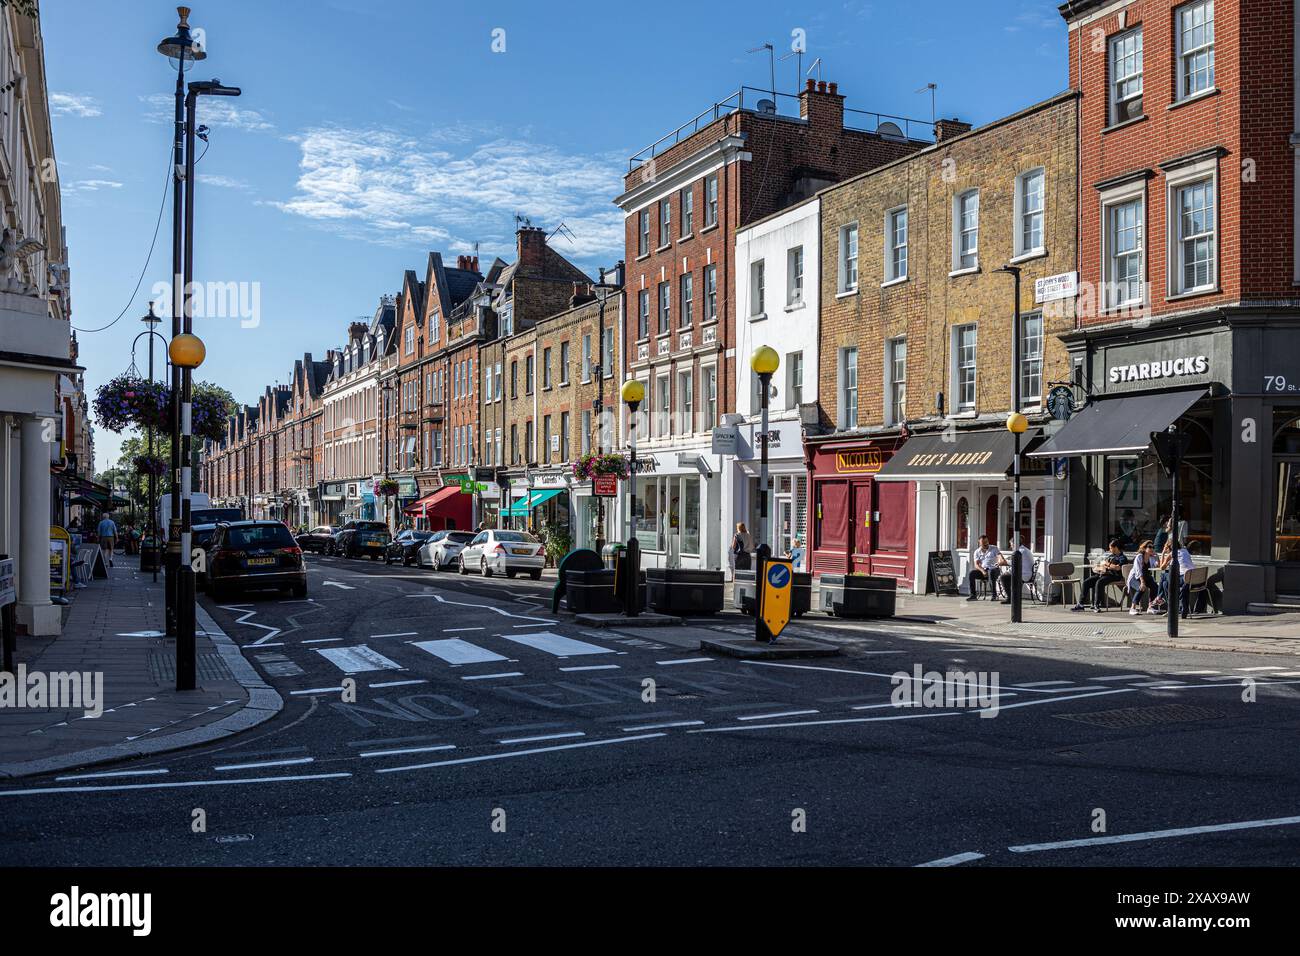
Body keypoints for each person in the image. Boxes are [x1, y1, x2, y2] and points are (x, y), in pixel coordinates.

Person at [1072, 539, 1126, 612]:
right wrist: (1100, 567)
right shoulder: (1110, 556)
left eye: (1110, 548)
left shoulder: (1122, 557)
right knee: (1086, 582)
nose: (1109, 549)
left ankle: (1096, 605)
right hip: (1103, 574)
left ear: (1115, 547)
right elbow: (1103, 564)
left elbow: (1118, 567)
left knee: (1099, 582)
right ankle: (1080, 604)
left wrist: (1108, 564)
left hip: (1114, 576)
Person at [1152, 541, 1196, 615]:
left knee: (1163, 575)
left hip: (1183, 578)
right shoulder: (1185, 551)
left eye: (1167, 548)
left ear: (1170, 548)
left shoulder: (1173, 553)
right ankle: (1171, 608)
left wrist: (1163, 553)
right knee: (1165, 584)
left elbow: (1162, 567)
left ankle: (1158, 597)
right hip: (1194, 578)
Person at [966, 535, 1003, 601]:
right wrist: (983, 571)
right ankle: (973, 595)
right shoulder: (977, 552)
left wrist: (1001, 560)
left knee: (991, 572)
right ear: (979, 543)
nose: (986, 543)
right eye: (983, 542)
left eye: (986, 541)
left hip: (994, 569)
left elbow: (999, 556)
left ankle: (994, 595)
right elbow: (976, 565)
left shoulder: (994, 548)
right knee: (971, 573)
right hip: (984, 570)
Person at [999, 539, 1035, 604]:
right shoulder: (1024, 550)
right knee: (1007, 576)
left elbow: (1014, 563)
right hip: (1026, 573)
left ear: (1015, 544)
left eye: (1011, 545)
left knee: (1003, 577)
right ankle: (1013, 597)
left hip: (1024, 574)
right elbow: (1016, 565)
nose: (1011, 547)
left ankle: (1010, 598)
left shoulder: (1020, 551)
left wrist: (1005, 563)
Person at [1126, 540, 1157, 614]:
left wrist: (1157, 557)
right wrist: (1142, 582)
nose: (1152, 548)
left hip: (1146, 577)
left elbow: (1157, 566)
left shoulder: (1151, 558)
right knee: (1141, 587)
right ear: (1144, 548)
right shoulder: (1139, 557)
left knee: (1155, 586)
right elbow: (1138, 571)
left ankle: (1150, 607)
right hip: (1135, 577)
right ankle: (1132, 608)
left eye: (1153, 547)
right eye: (1150, 547)